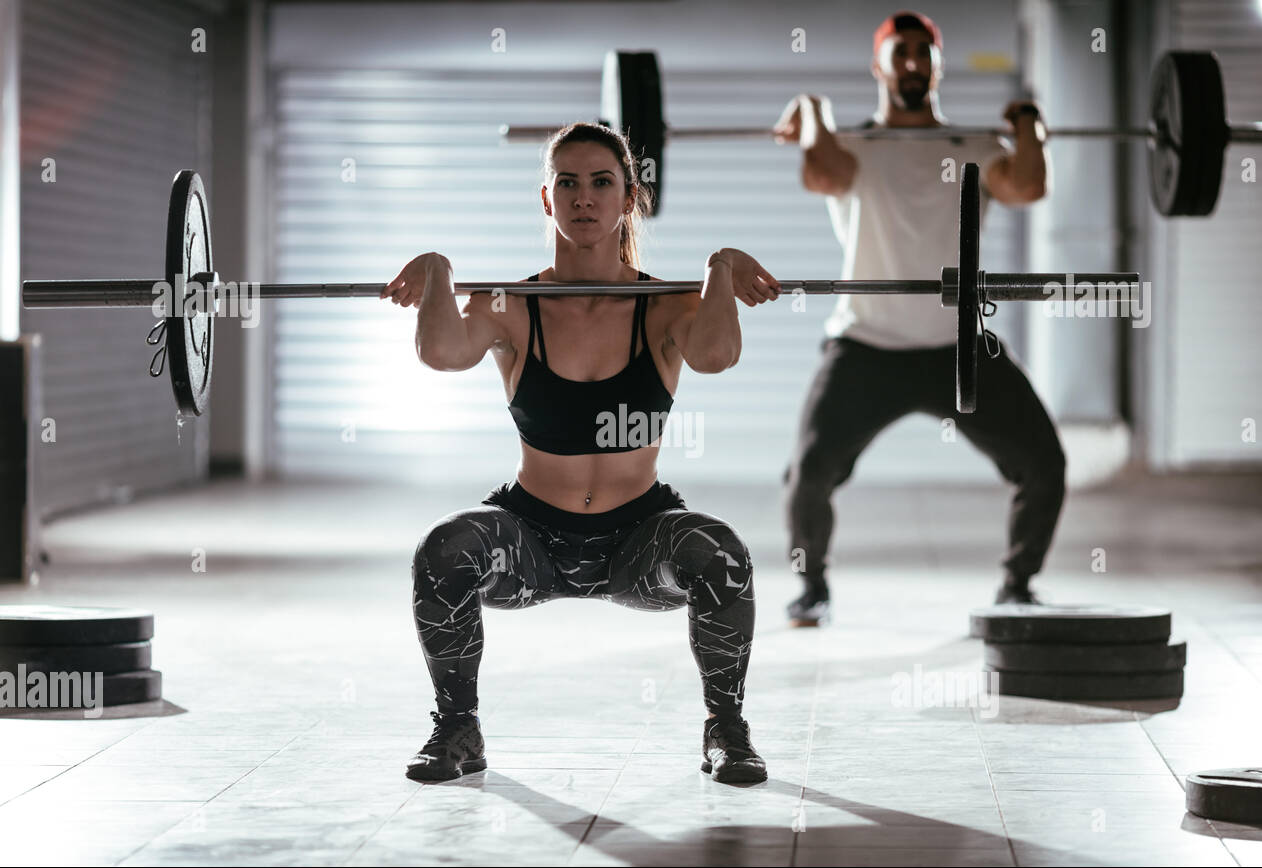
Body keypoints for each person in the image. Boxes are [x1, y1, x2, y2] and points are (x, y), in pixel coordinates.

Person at [383, 122, 780, 784]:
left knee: (723, 554)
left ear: (629, 199)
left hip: (638, 540)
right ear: (547, 199)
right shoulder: (512, 304)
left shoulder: (665, 305)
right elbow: (440, 352)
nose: (584, 199)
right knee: (442, 552)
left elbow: (716, 354)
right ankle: (457, 729)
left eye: (602, 183)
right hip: (532, 539)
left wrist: (722, 268)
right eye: (567, 183)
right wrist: (437, 271)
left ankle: (727, 729)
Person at [774, 10, 1064, 627]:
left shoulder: (978, 147)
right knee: (810, 472)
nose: (912, 63)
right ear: (879, 66)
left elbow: (1030, 187)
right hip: (864, 346)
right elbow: (821, 170)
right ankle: (812, 587)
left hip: (956, 346)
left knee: (1045, 462)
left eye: (923, 54)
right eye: (900, 53)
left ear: (936, 67)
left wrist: (1030, 126)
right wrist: (813, 110)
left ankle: (1016, 586)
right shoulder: (852, 146)